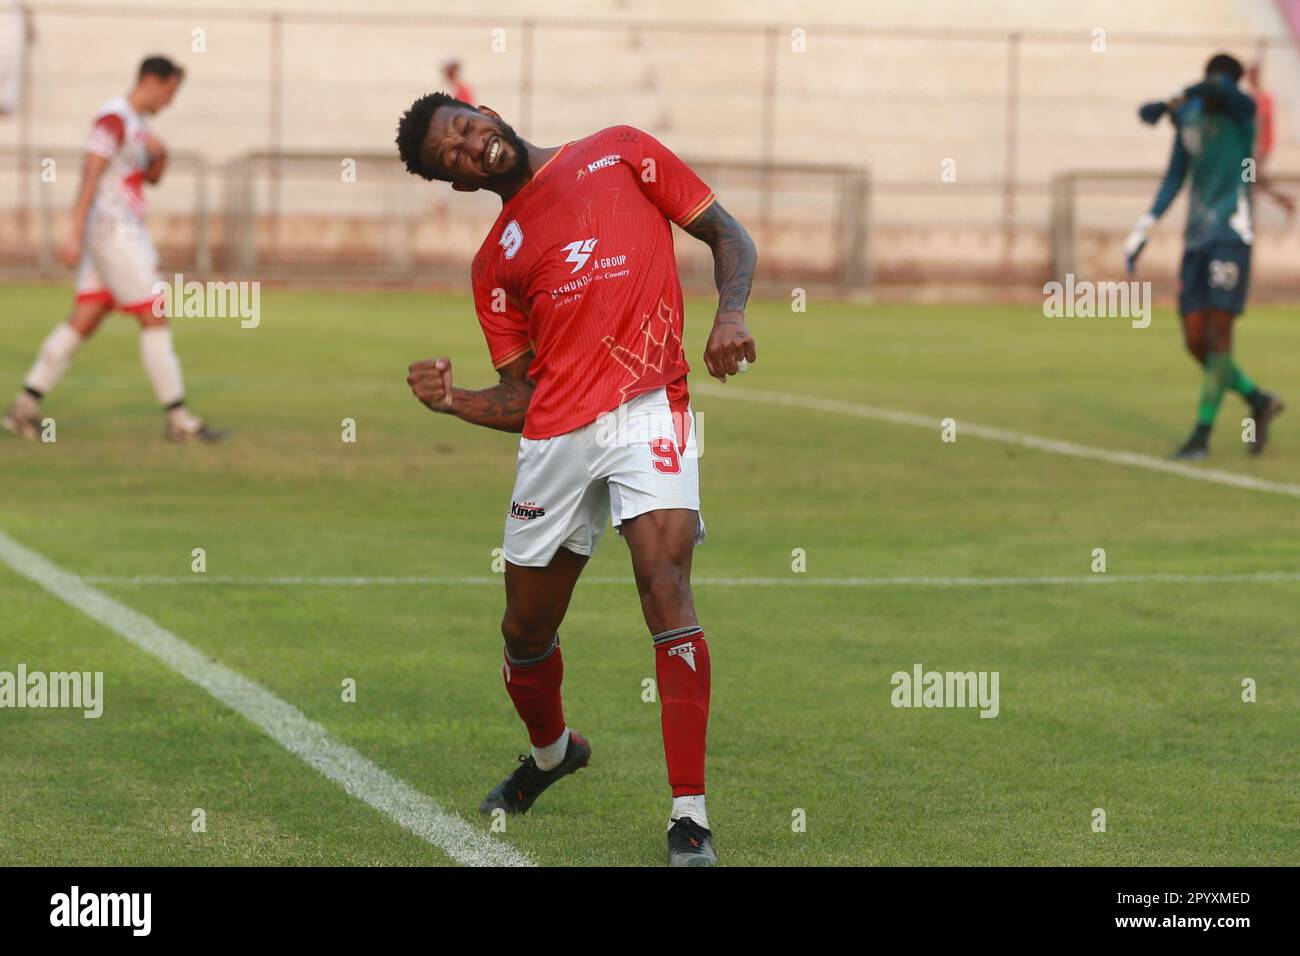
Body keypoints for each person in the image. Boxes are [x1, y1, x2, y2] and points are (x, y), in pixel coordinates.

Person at [396, 92, 756, 865]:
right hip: (557, 434)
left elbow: (726, 233)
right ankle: (555, 752)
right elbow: (524, 395)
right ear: (455, 184)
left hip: (649, 406)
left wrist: (730, 314)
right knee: (524, 633)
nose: (466, 147)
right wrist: (453, 402)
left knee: (666, 583)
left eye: (463, 128)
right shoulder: (494, 261)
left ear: (485, 110)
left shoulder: (620, 148)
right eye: (449, 157)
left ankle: (689, 817)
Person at [3, 55, 225, 443]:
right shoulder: (114, 119)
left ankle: (23, 408)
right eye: (170, 92)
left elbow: (149, 179)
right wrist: (74, 233)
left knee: (84, 319)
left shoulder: (140, 125)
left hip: (118, 232)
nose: (170, 102)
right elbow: (91, 171)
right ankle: (179, 420)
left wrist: (162, 155)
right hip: (114, 234)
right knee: (155, 315)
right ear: (154, 81)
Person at [1126, 52, 1282, 460]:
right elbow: (1175, 175)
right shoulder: (1191, 118)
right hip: (1196, 240)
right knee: (1196, 340)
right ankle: (1259, 400)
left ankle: (1200, 434)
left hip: (1232, 235)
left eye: (1220, 81)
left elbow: (1221, 90)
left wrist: (1173, 99)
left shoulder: (1242, 112)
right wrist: (1145, 225)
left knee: (1218, 335)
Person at [1244, 62, 1295, 217]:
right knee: (1254, 180)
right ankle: (1285, 202)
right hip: (1254, 146)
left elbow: (1262, 123)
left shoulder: (1262, 98)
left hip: (1258, 147)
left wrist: (1257, 148)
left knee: (1250, 180)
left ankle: (1249, 213)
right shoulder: (1254, 96)